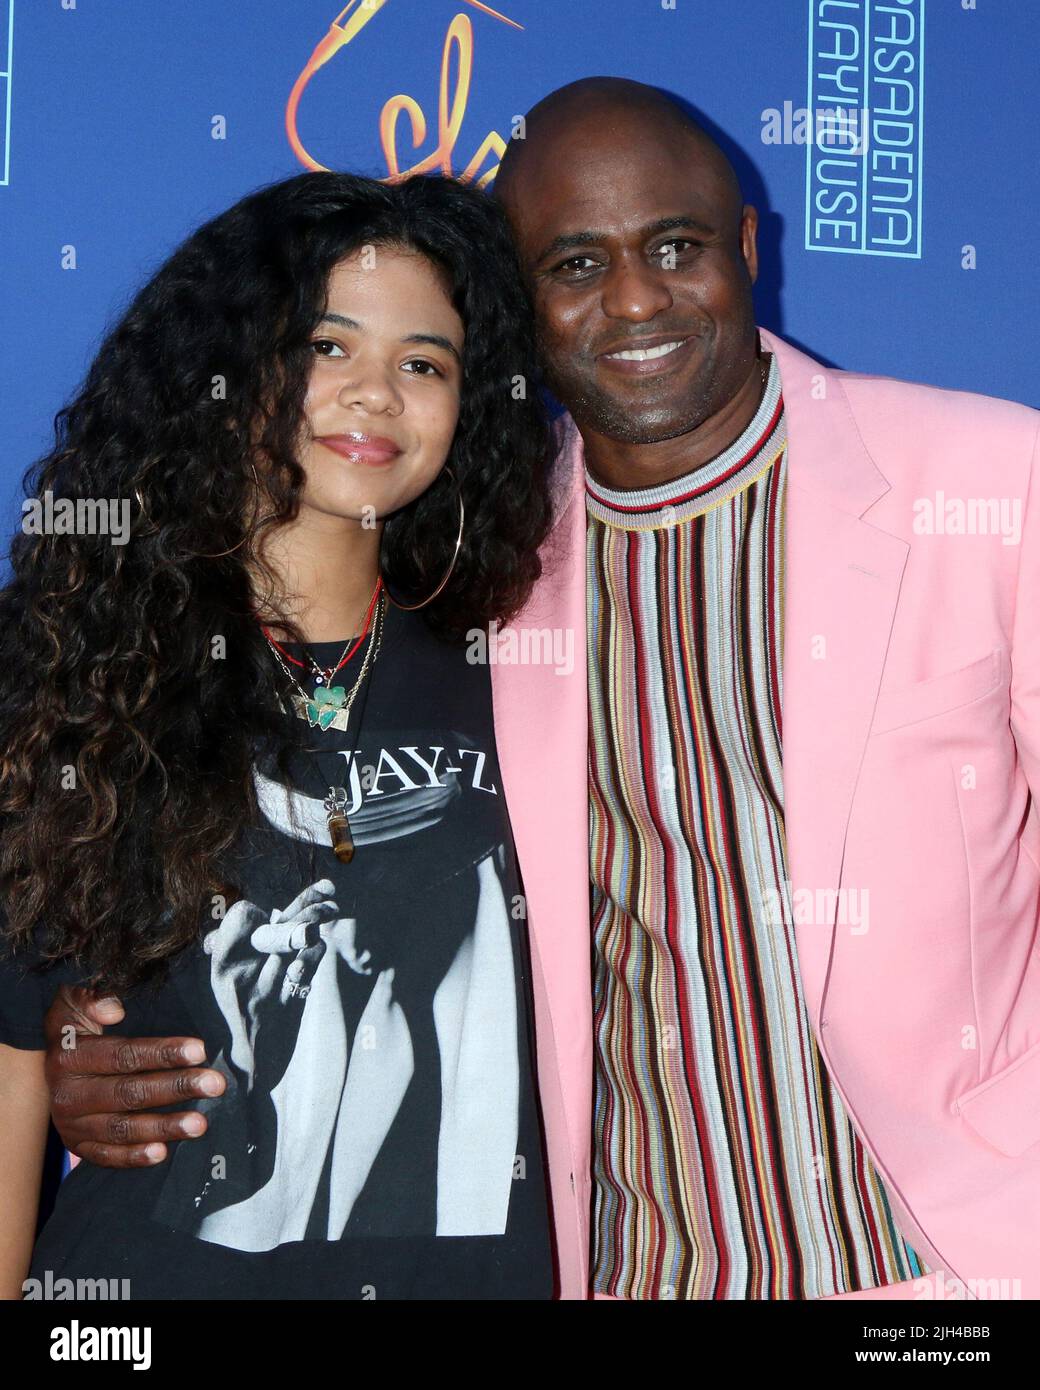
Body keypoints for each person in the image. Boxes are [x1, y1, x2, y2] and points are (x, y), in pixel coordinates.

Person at [35, 76, 1040, 1302]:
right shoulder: (494, 574)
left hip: (948, 1268)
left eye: (673, 248)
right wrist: (80, 1044)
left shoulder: (991, 481)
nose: (632, 300)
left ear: (744, 245)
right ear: (524, 312)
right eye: (573, 264)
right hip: (616, 1269)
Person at [0, 168, 568, 1300]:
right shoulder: (74, 665)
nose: (374, 395)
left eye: (423, 363)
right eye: (325, 346)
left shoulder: (532, 662)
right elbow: (15, 1062)